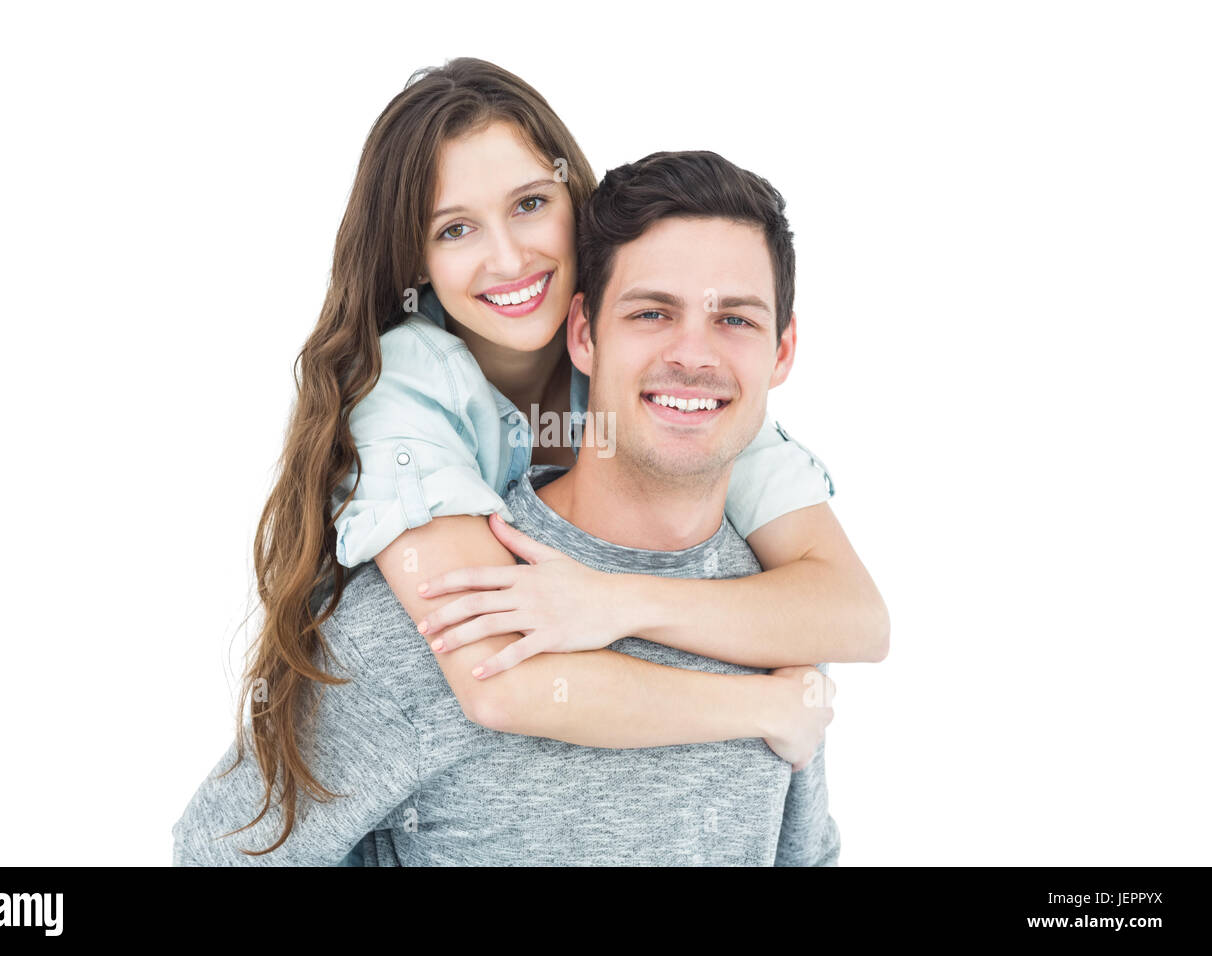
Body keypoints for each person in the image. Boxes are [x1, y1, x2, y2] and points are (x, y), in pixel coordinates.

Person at [216, 57, 887, 861]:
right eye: (454, 228)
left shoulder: (691, 404)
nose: (508, 259)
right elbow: (497, 678)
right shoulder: (408, 402)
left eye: (531, 204)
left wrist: (615, 602)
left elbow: (856, 615)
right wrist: (761, 710)